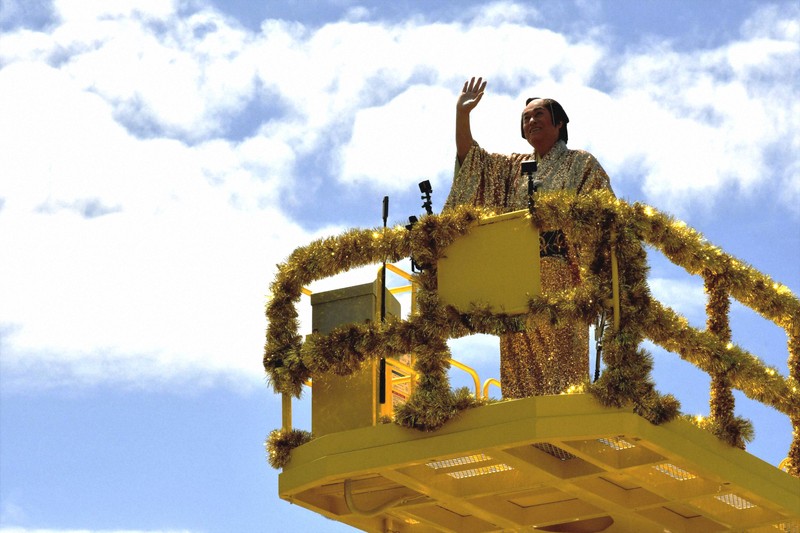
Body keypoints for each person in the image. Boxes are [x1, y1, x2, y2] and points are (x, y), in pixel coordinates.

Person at [444, 76, 613, 398]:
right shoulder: (514, 168)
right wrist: (462, 115)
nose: (531, 121)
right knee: (518, 358)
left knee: (564, 362)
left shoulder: (581, 163)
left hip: (565, 274)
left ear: (559, 123)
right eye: (525, 119)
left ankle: (564, 436)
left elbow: (603, 216)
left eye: (538, 115)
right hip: (518, 279)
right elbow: (473, 165)